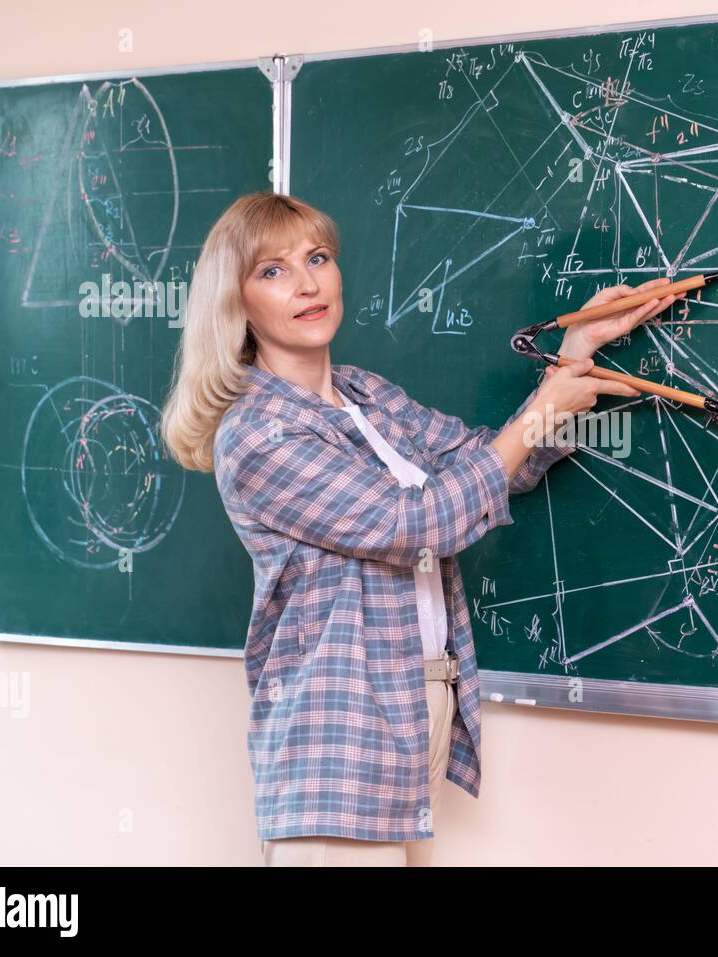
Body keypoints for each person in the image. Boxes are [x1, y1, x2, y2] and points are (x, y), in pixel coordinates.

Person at [160, 191, 681, 865]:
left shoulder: (366, 396)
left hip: (418, 702)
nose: (309, 283)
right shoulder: (258, 434)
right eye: (274, 270)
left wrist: (573, 356)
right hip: (338, 734)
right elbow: (415, 523)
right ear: (236, 303)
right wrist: (537, 416)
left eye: (318, 258)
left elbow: (496, 465)